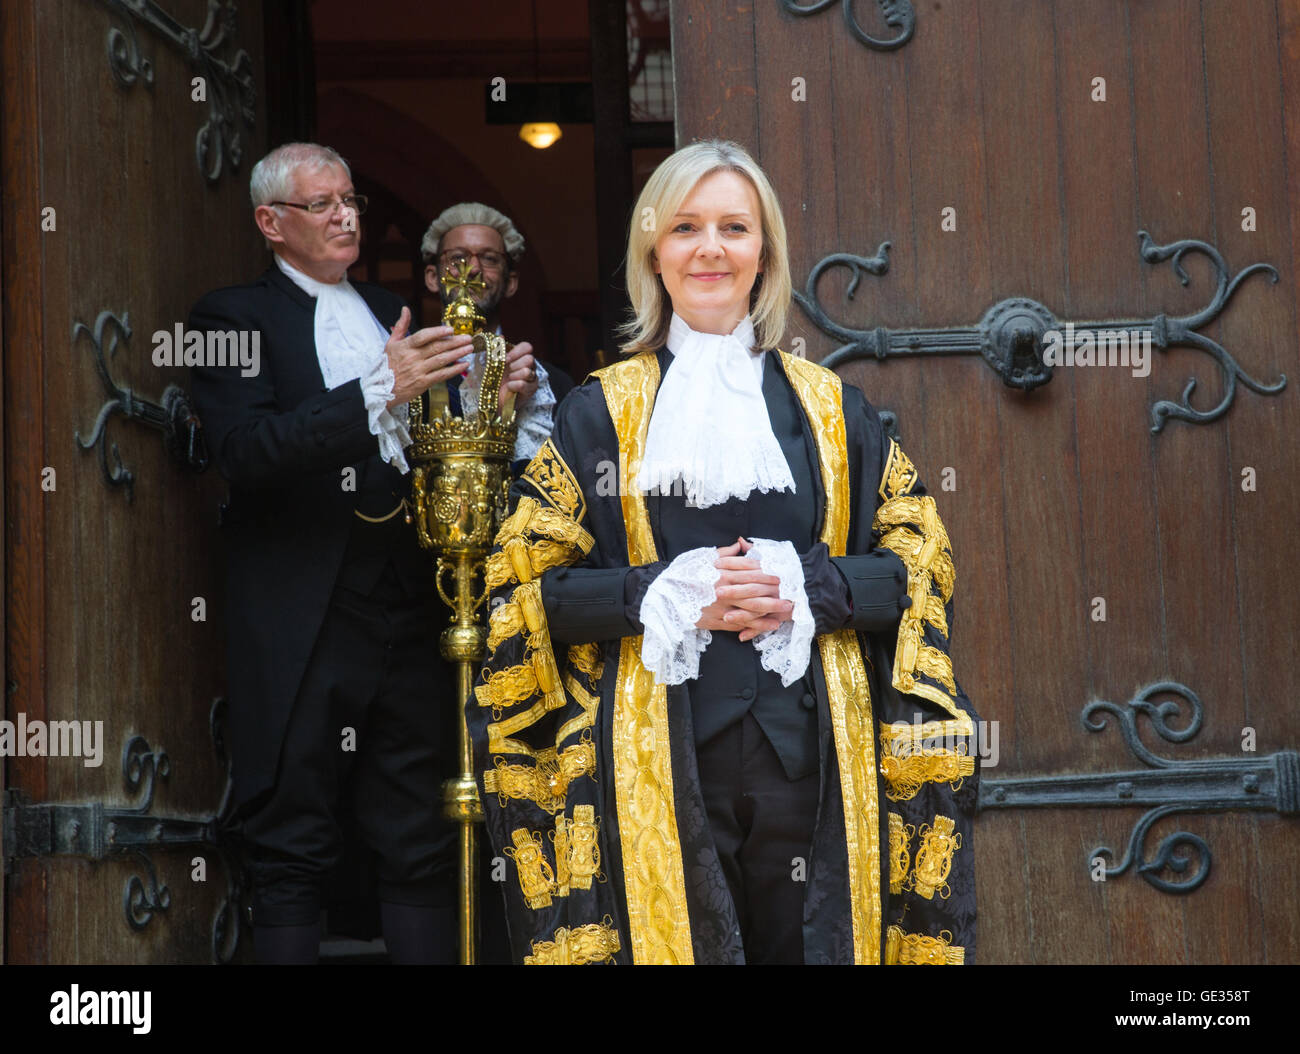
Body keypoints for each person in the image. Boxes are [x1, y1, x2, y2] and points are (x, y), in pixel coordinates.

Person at [469, 139, 979, 965]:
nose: (710, 248)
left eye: (734, 227)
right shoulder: (599, 413)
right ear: (654, 253)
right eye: (686, 228)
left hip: (812, 764)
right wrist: (659, 594)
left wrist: (807, 587)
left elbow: (921, 564)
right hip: (656, 769)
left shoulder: (833, 408)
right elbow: (525, 590)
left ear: (764, 253)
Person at [188, 142, 485, 963]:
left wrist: (490, 403)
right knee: (291, 834)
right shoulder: (227, 318)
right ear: (271, 223)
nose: (346, 214)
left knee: (420, 826)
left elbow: (428, 450)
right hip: (302, 612)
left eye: (349, 198)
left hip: (407, 604)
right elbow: (245, 450)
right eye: (322, 204)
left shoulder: (388, 305)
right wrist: (376, 388)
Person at [420, 202, 574, 470]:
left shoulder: (555, 385)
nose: (474, 268)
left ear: (511, 282)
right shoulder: (410, 378)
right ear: (433, 277)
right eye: (458, 258)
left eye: (490, 258)